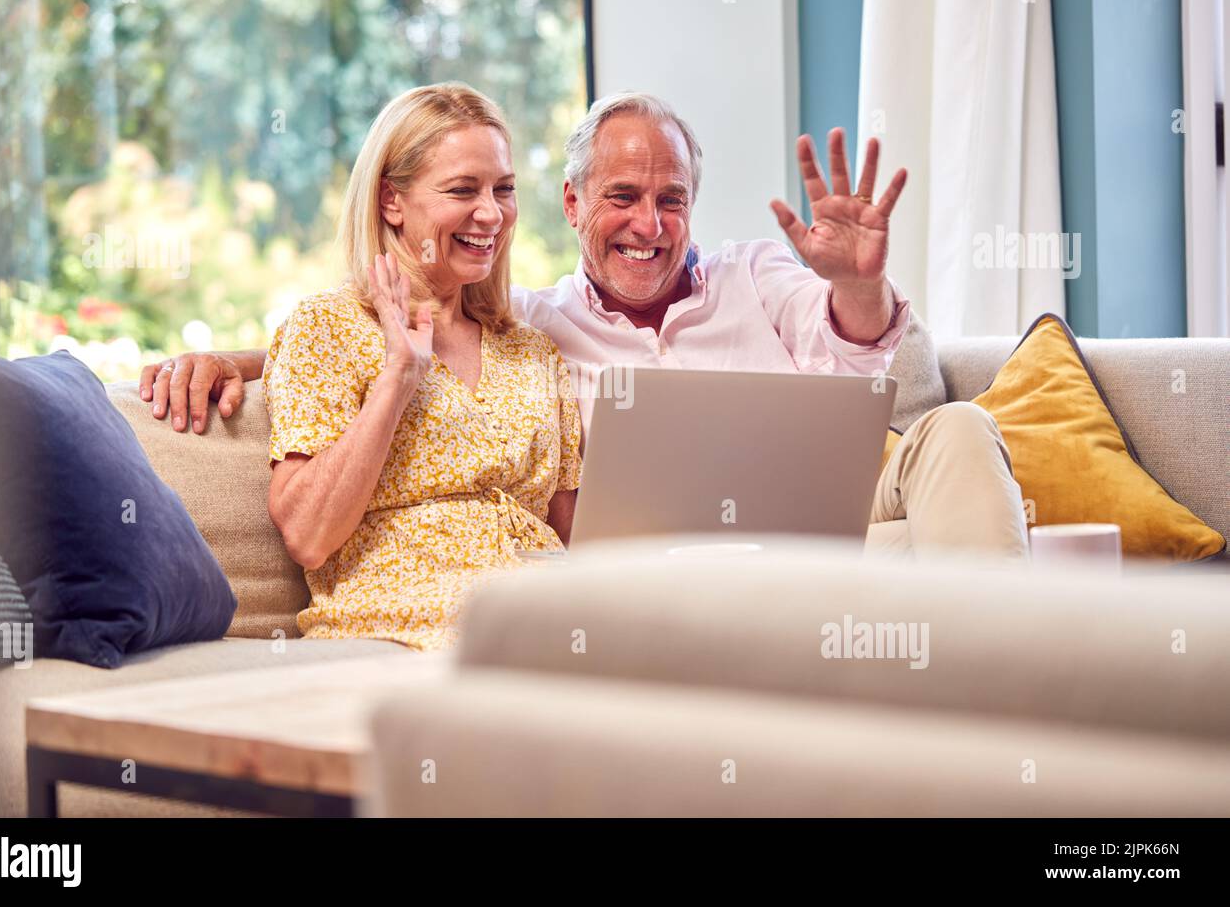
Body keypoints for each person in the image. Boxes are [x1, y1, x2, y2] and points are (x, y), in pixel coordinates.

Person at [142, 92, 1028, 560]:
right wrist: (239, 358)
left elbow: (867, 355)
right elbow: (409, 332)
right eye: (623, 197)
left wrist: (858, 286)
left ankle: (1027, 702)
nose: (649, 224)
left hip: (825, 512)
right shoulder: (535, 326)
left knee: (958, 428)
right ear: (572, 204)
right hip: (677, 559)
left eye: (670, 200)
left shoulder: (758, 274)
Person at [253, 83, 580, 651]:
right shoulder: (328, 328)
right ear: (391, 201)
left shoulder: (532, 350)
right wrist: (399, 376)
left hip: (545, 615)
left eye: (504, 189)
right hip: (407, 627)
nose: (490, 213)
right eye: (462, 189)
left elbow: (576, 534)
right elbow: (308, 535)